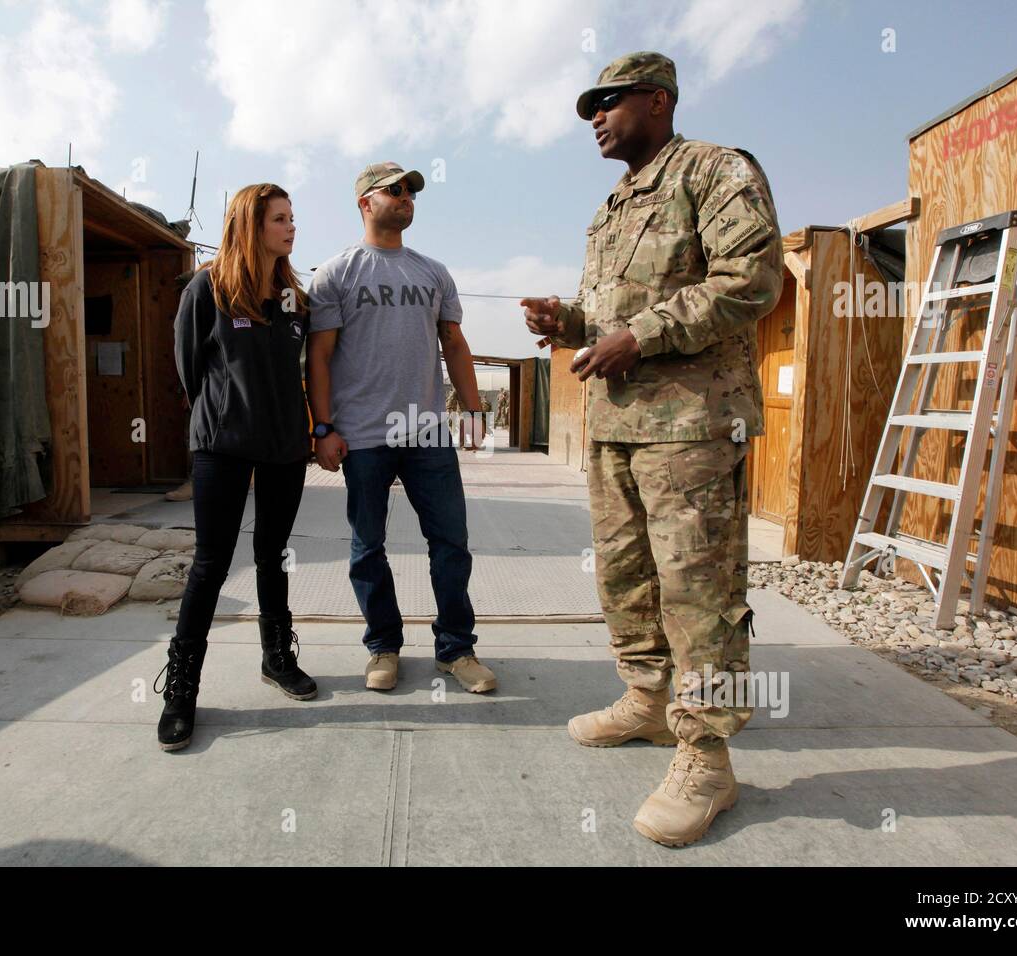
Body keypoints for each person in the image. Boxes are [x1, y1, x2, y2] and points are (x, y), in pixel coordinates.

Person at [523, 52, 783, 845]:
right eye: (588, 108)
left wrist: (640, 336)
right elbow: (615, 313)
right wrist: (568, 321)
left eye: (607, 102)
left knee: (698, 592)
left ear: (657, 99)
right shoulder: (611, 208)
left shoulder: (714, 170)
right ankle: (645, 702)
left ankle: (706, 757)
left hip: (693, 430)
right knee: (627, 578)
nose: (595, 118)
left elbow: (751, 279)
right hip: (616, 429)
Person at [306, 162, 497, 695]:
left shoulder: (433, 271)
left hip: (429, 431)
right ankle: (382, 647)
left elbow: (455, 344)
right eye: (395, 190)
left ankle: (456, 649)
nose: (407, 197)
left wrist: (475, 409)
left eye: (412, 190)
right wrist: (322, 427)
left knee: (451, 544)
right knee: (368, 547)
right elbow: (318, 357)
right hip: (363, 434)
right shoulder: (336, 273)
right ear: (365, 203)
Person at [156, 183, 318, 753]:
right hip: (222, 446)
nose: (291, 228)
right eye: (280, 219)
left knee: (272, 556)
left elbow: (301, 369)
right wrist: (227, 414)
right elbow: (188, 369)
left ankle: (277, 658)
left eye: (292, 218)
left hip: (285, 447)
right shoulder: (209, 287)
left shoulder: (296, 296)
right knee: (210, 563)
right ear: (251, 225)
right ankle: (182, 690)